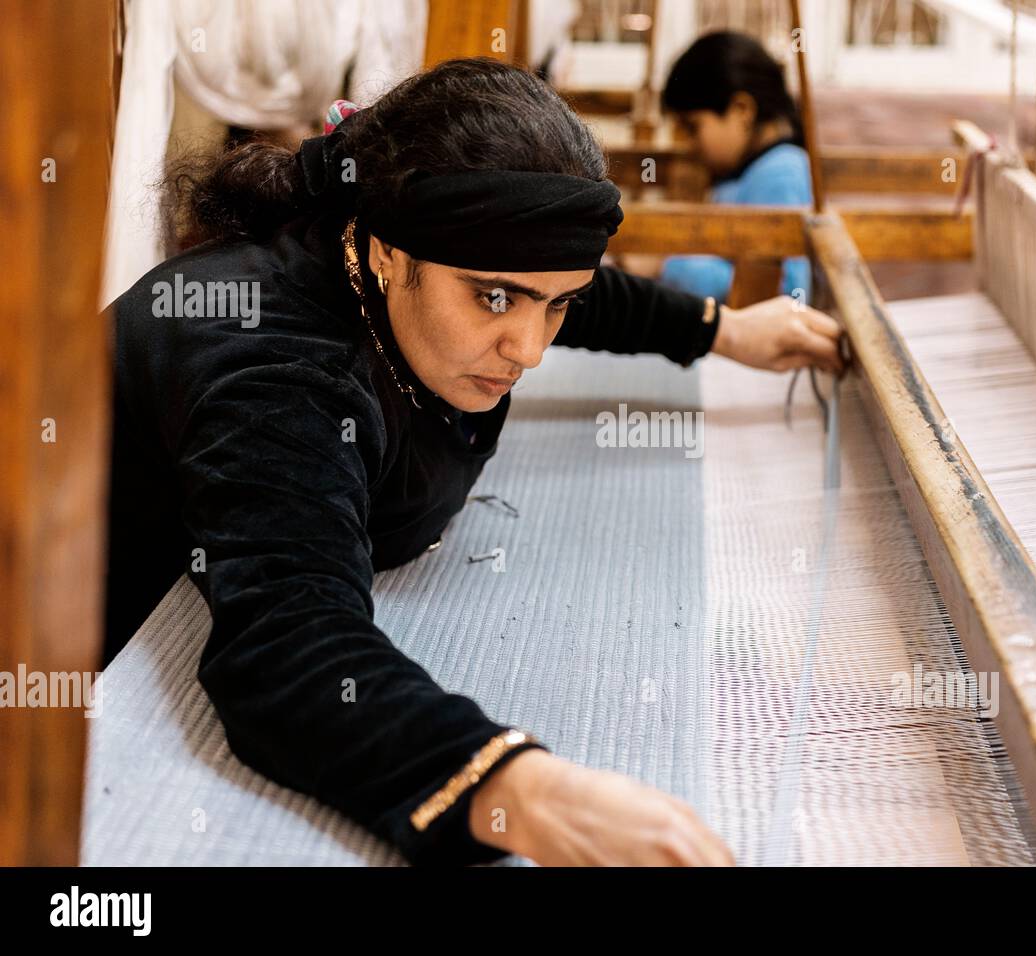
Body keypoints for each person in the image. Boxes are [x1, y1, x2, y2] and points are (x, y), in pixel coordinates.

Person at [104, 57, 843, 866]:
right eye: (495, 299)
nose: (528, 347)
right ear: (386, 254)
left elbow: (578, 289)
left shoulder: (408, 249)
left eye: (553, 305)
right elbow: (286, 646)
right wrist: (512, 789)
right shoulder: (281, 377)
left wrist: (725, 330)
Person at [659, 31, 813, 303]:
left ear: (742, 110)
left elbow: (789, 291)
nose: (690, 145)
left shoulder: (780, 173)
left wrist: (666, 264)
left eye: (693, 127)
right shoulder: (745, 171)